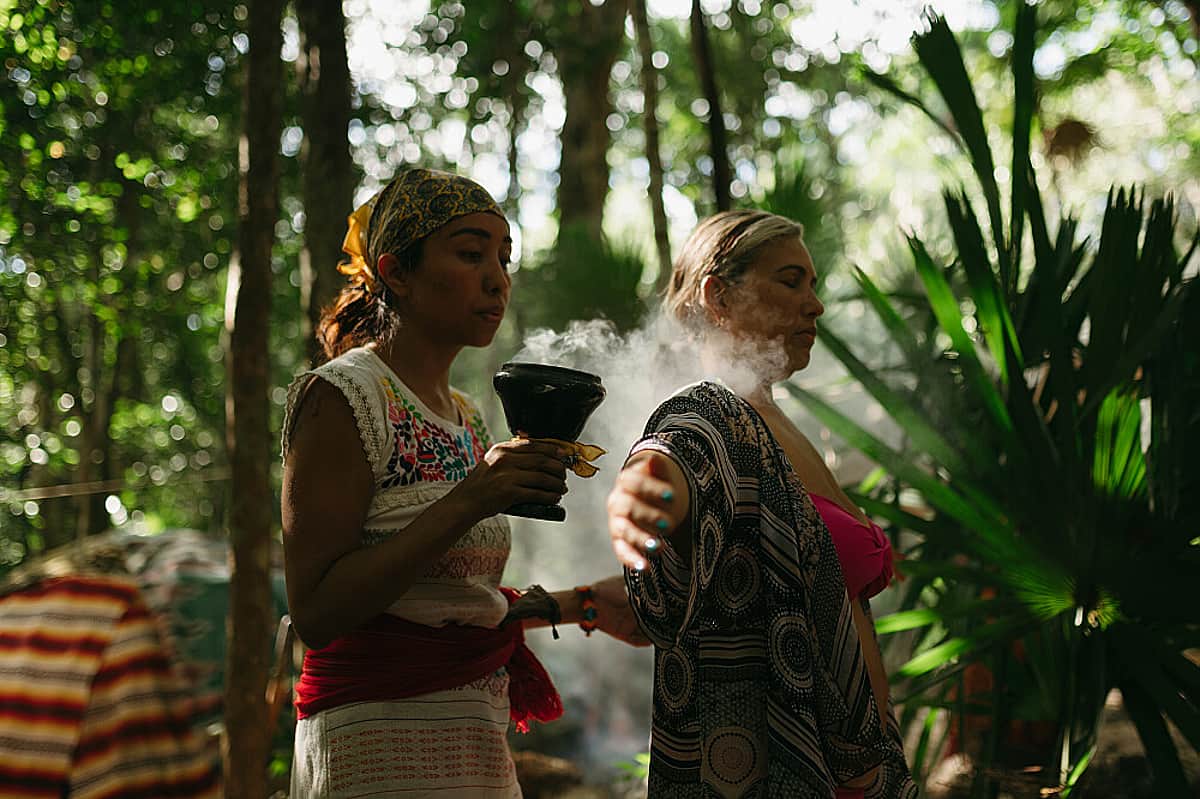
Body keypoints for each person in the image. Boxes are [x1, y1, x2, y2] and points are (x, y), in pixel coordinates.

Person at [281, 167, 644, 798]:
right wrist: (474, 496)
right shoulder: (343, 396)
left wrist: (584, 604)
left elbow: (449, 602)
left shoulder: (467, 415)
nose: (497, 280)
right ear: (396, 273)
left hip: (474, 744)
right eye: (471, 254)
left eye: (504, 259)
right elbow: (318, 612)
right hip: (376, 751)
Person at [605, 209, 917, 797]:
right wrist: (639, 498)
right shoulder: (709, 413)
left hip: (858, 769)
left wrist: (565, 606)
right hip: (778, 768)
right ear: (718, 296)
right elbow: (673, 459)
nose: (815, 304)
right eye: (791, 281)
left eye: (814, 285)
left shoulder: (783, 425)